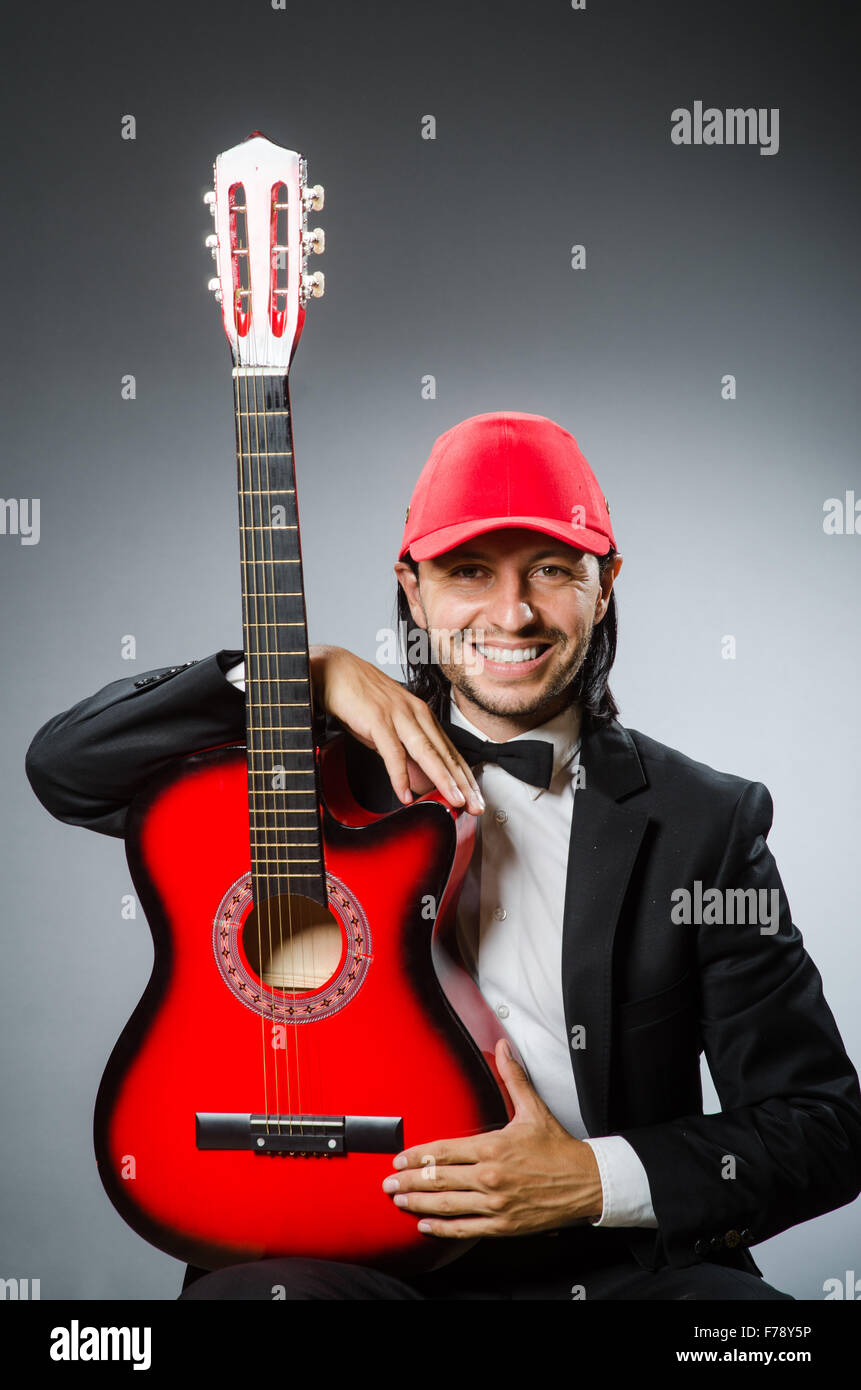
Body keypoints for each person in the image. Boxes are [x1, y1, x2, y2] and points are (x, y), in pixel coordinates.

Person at [25, 410, 861, 1301]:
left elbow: (820, 1127)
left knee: (764, 1342)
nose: (512, 613)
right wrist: (302, 670)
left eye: (550, 570)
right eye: (469, 572)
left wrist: (590, 1179)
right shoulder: (293, 782)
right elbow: (65, 768)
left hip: (614, 1266)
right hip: (337, 1261)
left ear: (604, 583)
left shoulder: (707, 824)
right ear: (413, 590)